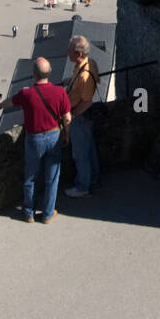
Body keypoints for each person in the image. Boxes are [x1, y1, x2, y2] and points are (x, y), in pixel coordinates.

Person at [0, 57, 71, 224]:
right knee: (52, 177)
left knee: (30, 176)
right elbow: (67, 117)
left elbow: (10, 103)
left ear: (34, 74)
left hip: (34, 138)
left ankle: (28, 212)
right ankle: (47, 214)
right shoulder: (60, 92)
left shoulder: (26, 94)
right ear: (49, 73)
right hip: (54, 135)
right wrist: (66, 135)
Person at [64, 35, 100, 198]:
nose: (67, 52)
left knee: (80, 153)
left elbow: (87, 102)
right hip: (85, 116)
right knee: (89, 148)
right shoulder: (89, 63)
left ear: (78, 54)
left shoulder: (84, 74)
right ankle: (92, 179)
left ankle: (82, 186)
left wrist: (73, 115)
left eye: (70, 50)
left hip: (81, 115)